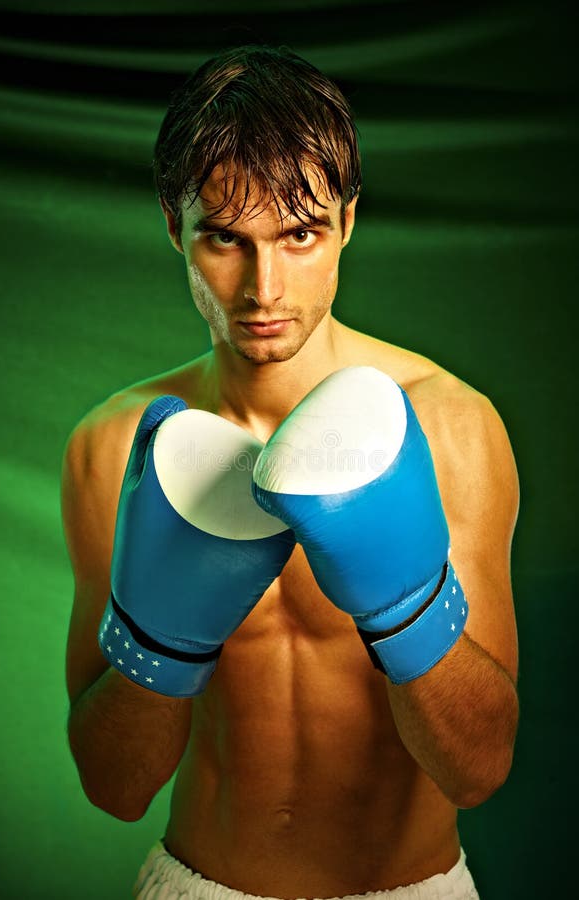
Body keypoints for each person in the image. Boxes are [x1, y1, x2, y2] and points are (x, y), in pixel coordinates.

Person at [62, 45, 519, 900]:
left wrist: (406, 610)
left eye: (300, 234)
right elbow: (114, 789)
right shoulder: (114, 447)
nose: (263, 288)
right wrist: (159, 643)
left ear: (347, 221)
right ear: (174, 226)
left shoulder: (454, 429)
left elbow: (480, 770)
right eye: (226, 239)